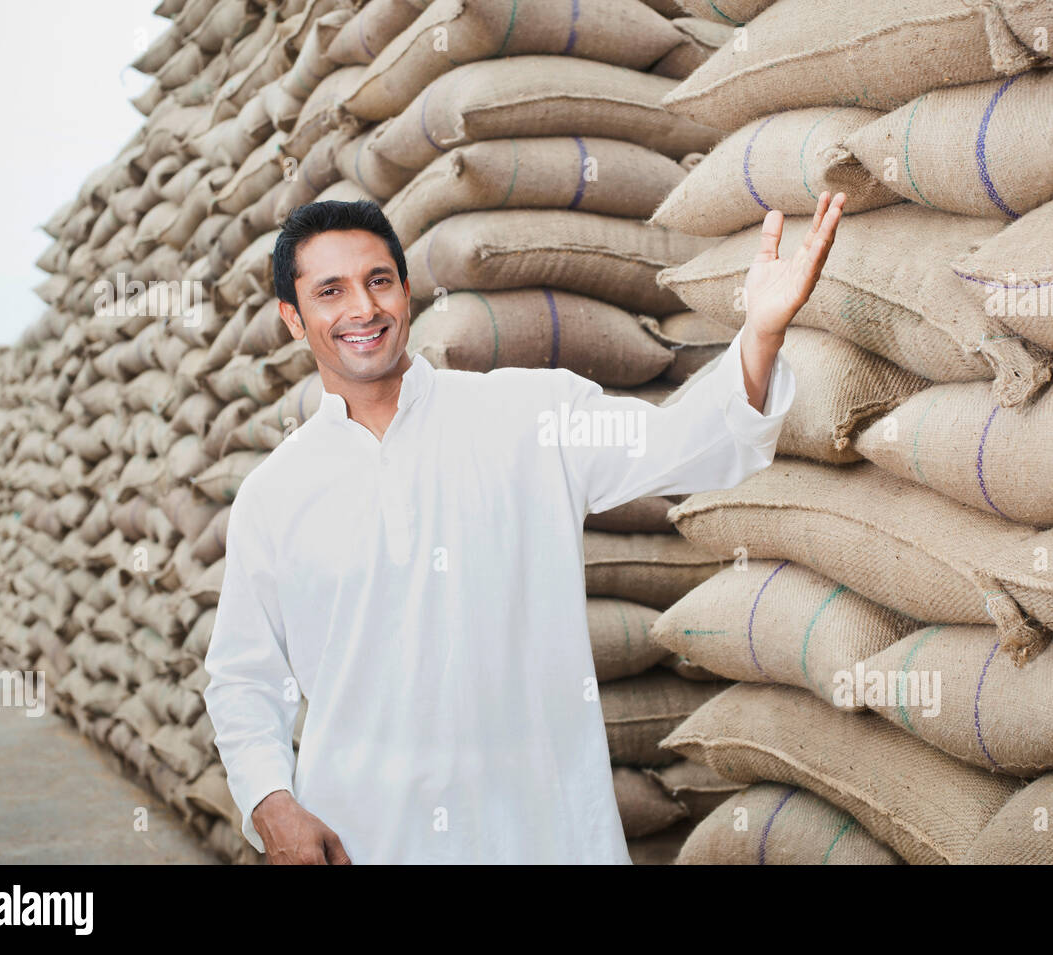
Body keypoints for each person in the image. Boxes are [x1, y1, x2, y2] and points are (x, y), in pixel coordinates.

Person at [203, 193, 846, 864]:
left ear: (409, 292)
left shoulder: (529, 413)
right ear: (292, 319)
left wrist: (761, 333)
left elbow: (685, 442)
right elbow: (244, 677)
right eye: (330, 291)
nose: (363, 309)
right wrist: (270, 803)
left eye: (379, 281)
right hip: (366, 838)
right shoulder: (273, 495)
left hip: (542, 835)